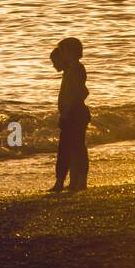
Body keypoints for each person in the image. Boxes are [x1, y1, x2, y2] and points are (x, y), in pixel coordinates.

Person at [49, 37, 90, 192]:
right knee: (67, 148)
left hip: (76, 114)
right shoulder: (70, 70)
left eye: (64, 51)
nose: (62, 54)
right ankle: (68, 182)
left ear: (70, 53)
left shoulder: (77, 69)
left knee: (76, 148)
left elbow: (82, 91)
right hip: (71, 114)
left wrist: (69, 107)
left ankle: (79, 181)